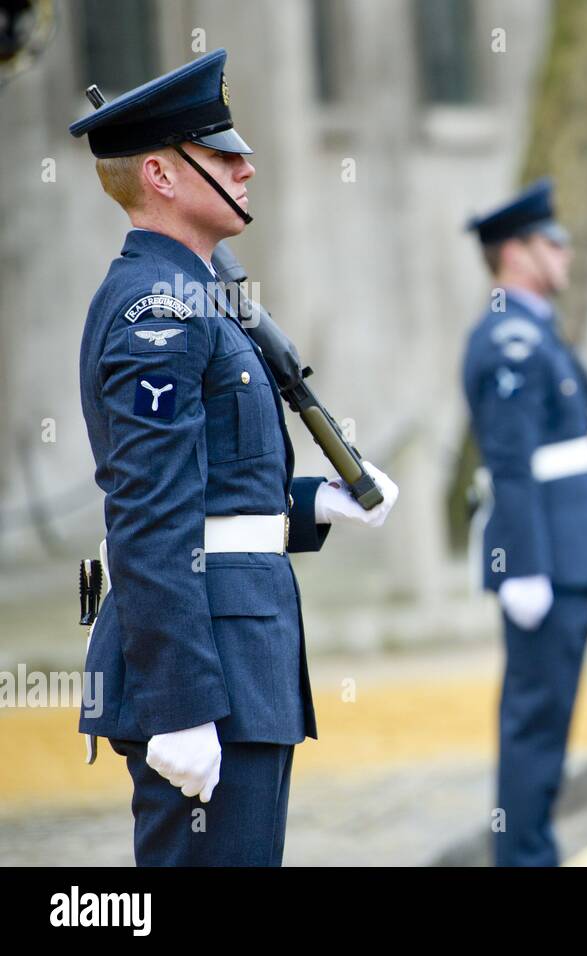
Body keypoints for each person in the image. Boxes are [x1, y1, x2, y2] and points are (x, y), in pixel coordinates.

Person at [68, 49, 398, 865]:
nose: (247, 166)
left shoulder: (204, 297)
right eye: (221, 155)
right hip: (204, 668)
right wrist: (179, 705)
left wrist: (315, 500)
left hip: (242, 654)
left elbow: (212, 488)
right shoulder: (160, 310)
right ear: (161, 174)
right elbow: (150, 514)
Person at [461, 179, 587, 866]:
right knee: (535, 719)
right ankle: (522, 855)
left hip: (568, 545)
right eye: (554, 243)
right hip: (543, 553)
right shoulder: (511, 340)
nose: (567, 255)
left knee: (549, 715)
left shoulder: (538, 332)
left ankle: (532, 845)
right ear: (515, 252)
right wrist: (524, 564)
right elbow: (511, 464)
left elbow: (553, 452)